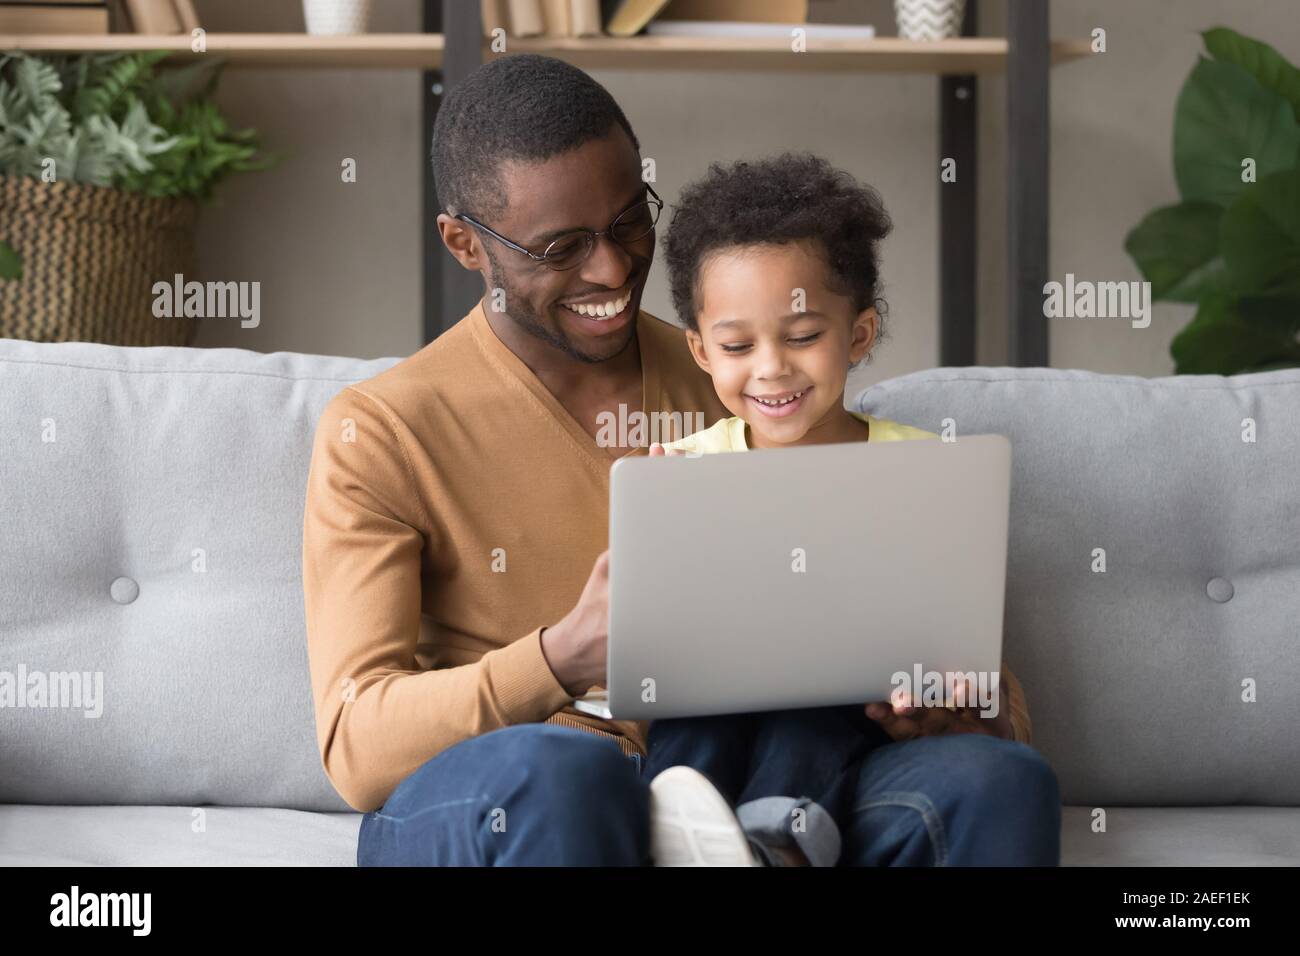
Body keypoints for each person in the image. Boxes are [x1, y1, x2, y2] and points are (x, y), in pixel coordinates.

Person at [302, 53, 1060, 866]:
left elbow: (918, 612)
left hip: (751, 789)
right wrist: (560, 657)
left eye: (631, 221)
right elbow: (357, 742)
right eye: (563, 246)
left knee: (998, 779)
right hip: (517, 787)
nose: (615, 268)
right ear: (464, 244)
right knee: (567, 774)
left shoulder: (741, 380)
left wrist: (962, 708)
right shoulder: (381, 430)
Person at [640, 153, 1052, 866]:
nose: (770, 367)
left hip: (853, 713)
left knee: (822, 664)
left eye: (802, 337)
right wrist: (653, 551)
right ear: (702, 352)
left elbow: (956, 630)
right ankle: (687, 831)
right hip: (711, 721)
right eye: (738, 345)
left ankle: (780, 833)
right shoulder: (682, 470)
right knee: (698, 705)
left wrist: (945, 690)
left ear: (857, 336)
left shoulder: (923, 466)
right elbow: (648, 653)